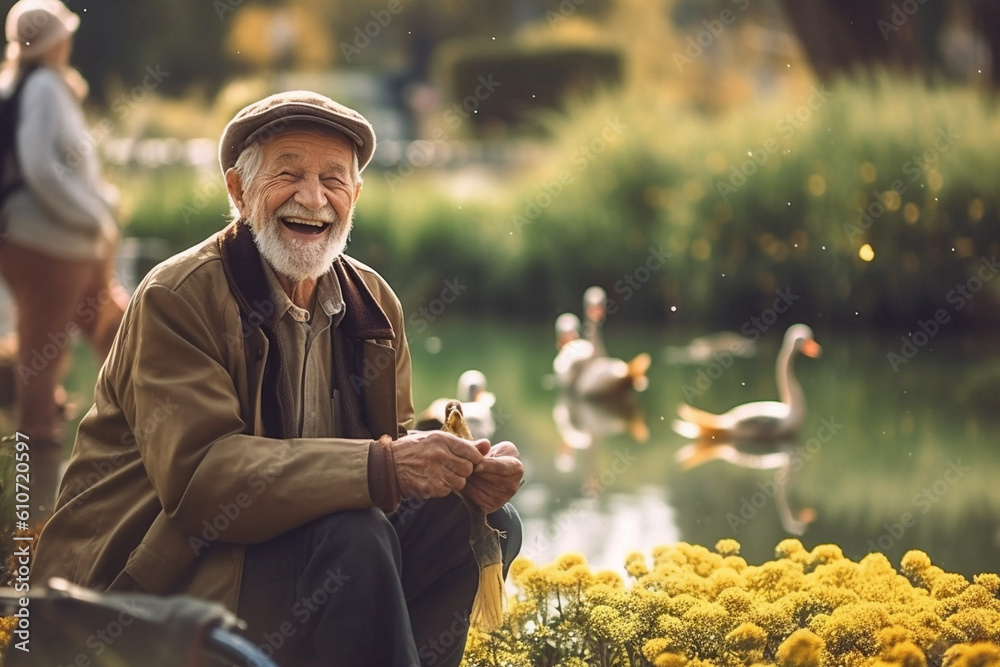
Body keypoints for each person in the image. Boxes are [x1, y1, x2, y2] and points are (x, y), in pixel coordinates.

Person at [32, 90, 525, 667]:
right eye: (288, 174)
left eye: (334, 180)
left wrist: (457, 470)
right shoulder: (178, 297)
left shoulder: (375, 305)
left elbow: (385, 458)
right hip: (151, 578)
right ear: (238, 192)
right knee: (356, 536)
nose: (313, 198)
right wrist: (386, 467)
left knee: (478, 523)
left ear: (355, 197)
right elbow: (202, 480)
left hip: (291, 555)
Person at [0, 0, 128, 517]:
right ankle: (33, 517)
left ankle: (144, 434)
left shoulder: (17, 83)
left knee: (115, 326)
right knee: (41, 369)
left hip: (50, 241)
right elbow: (41, 167)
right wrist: (94, 215)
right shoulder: (46, 87)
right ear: (55, 41)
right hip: (53, 244)